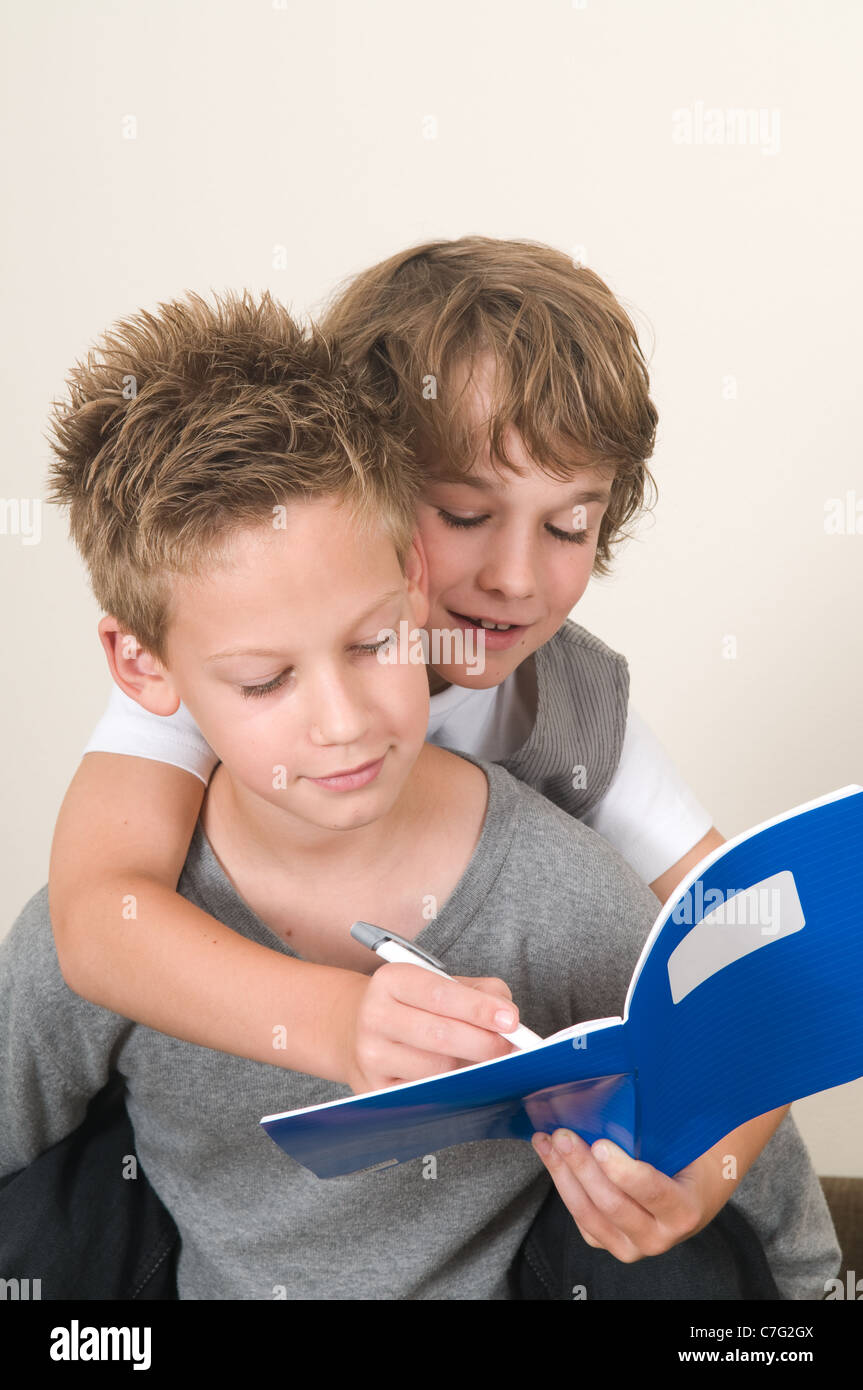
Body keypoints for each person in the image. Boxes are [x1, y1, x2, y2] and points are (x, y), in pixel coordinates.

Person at [2, 291, 839, 1298]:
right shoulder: (177, 704)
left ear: (401, 574)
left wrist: (712, 1199)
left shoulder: (571, 804)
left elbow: (747, 986)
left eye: (371, 644)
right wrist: (339, 1023)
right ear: (144, 667)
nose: (341, 720)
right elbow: (94, 926)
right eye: (467, 513)